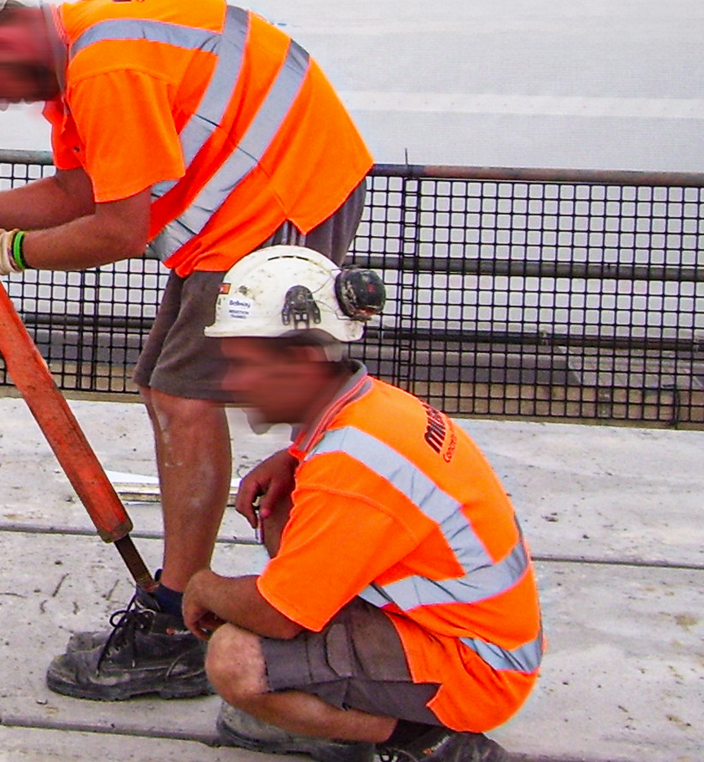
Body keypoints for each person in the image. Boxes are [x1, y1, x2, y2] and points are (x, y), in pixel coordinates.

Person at [0, 0, 373, 701]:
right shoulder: (83, 57)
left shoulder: (104, 70)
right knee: (163, 387)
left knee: (185, 399)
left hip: (279, 196)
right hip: (249, 199)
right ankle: (187, 605)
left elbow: (116, 228)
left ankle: (178, 621)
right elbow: (81, 188)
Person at [184, 244, 539, 762]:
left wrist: (202, 585)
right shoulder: (372, 406)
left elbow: (279, 615)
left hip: (474, 672)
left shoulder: (351, 467)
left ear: (302, 357)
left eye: (244, 363)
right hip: (470, 636)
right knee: (285, 515)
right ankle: (346, 703)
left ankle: (429, 741)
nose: (232, 383)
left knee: (237, 659)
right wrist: (292, 458)